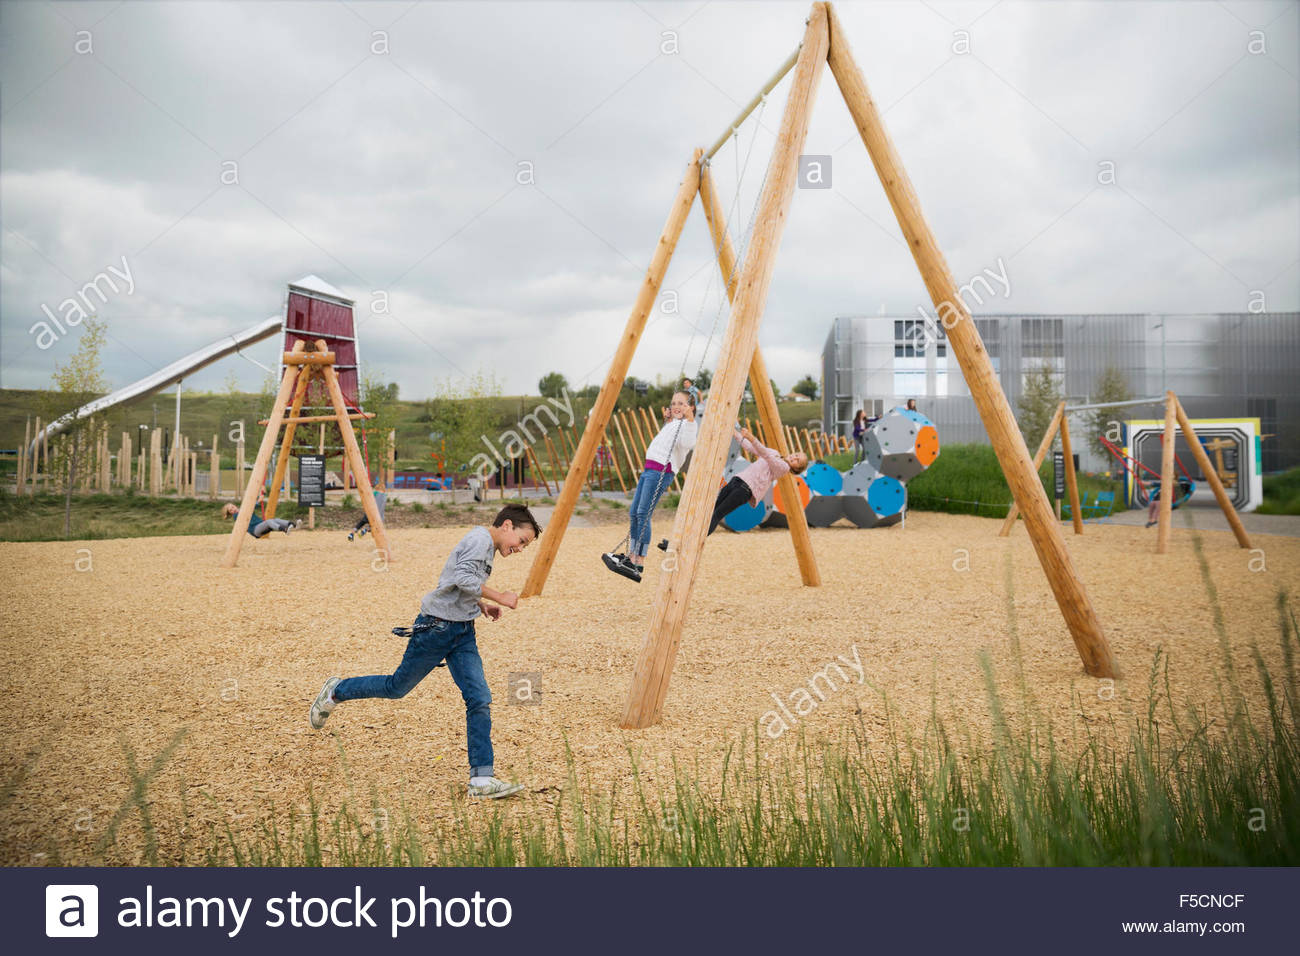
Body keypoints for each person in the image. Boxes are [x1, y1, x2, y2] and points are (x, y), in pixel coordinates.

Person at [310, 504, 542, 800]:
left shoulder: (487, 545)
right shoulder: (480, 539)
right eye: (522, 541)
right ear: (507, 525)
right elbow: (462, 577)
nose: (521, 548)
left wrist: (481, 605)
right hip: (436, 628)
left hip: (461, 632)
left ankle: (482, 779)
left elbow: (457, 584)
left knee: (479, 697)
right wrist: (500, 596)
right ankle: (337, 690)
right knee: (396, 688)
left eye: (526, 545)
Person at [602, 390, 698, 583]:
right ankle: (631, 557)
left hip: (661, 472)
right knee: (634, 512)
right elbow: (666, 441)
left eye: (681, 403)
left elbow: (687, 443)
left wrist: (689, 418)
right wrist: (668, 421)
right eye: (674, 403)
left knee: (644, 513)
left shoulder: (689, 426)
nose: (676, 406)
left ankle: (640, 560)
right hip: (649, 470)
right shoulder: (674, 424)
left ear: (691, 408)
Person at [708, 426, 807, 534]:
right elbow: (752, 448)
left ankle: (700, 539)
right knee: (713, 508)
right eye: (796, 455)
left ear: (796, 468)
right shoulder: (775, 453)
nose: (794, 458)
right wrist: (736, 433)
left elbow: (766, 454)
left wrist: (752, 437)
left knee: (718, 513)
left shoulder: (784, 468)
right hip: (737, 480)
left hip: (745, 490)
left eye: (797, 461)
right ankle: (695, 535)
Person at [223, 489, 298, 537]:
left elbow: (251, 505)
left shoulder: (243, 508)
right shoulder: (236, 516)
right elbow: (248, 511)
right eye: (231, 510)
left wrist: (262, 494)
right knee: (269, 522)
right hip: (255, 530)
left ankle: (292, 524)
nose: (233, 509)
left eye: (232, 507)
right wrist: (258, 501)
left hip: (261, 525)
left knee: (275, 520)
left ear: (235, 505)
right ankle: (284, 529)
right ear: (231, 513)